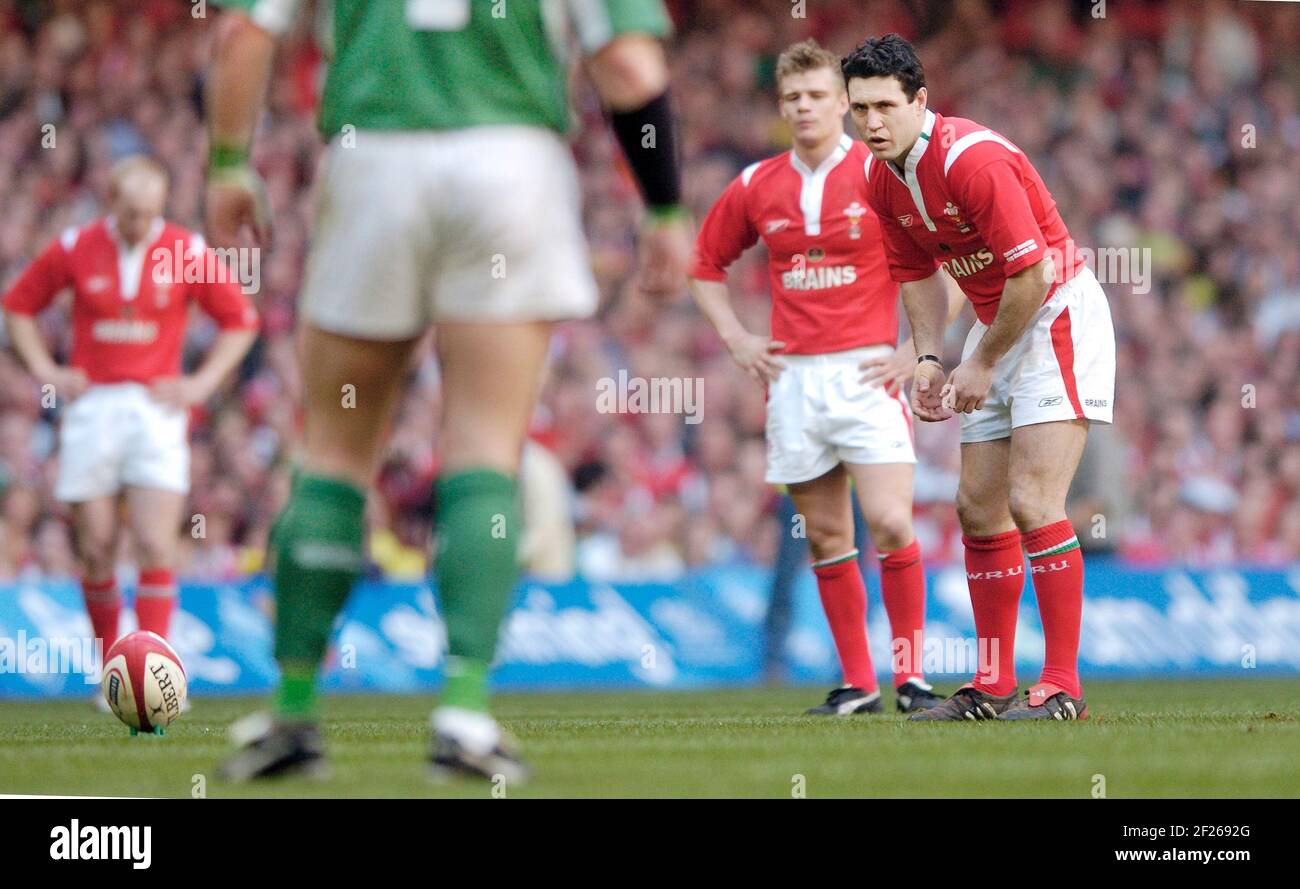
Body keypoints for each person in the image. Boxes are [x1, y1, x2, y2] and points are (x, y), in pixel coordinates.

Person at [205, 0, 690, 782]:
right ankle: (463, 711)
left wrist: (229, 162)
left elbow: (242, 32)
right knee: (486, 449)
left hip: (373, 161)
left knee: (332, 450)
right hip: (512, 167)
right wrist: (664, 205)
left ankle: (293, 710)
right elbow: (630, 67)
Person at [845, 34, 1116, 721]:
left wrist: (983, 360)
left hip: (1055, 314)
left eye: (884, 105)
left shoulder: (973, 160)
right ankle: (992, 684)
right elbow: (915, 274)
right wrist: (932, 357)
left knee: (1032, 499)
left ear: (920, 102)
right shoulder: (881, 178)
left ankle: (1062, 686)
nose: (871, 122)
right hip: (994, 325)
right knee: (976, 507)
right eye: (860, 108)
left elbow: (1034, 274)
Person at [689, 40, 963, 715]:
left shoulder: (883, 173)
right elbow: (703, 266)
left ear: (843, 103)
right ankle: (859, 683)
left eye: (817, 95)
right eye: (792, 98)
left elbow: (953, 263)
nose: (804, 107)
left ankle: (913, 678)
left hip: (868, 372)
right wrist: (736, 338)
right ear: (781, 107)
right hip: (793, 380)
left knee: (893, 523)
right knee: (826, 537)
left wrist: (916, 349)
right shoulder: (757, 184)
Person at [2, 155, 259, 668]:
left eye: (150, 213)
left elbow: (241, 319)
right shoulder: (77, 246)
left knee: (154, 543)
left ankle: (155, 668)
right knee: (96, 546)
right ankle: (110, 671)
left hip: (154, 409)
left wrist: (202, 382)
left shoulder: (184, 250)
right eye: (132, 212)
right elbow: (18, 305)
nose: (141, 223)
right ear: (111, 203)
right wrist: (46, 370)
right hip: (92, 406)